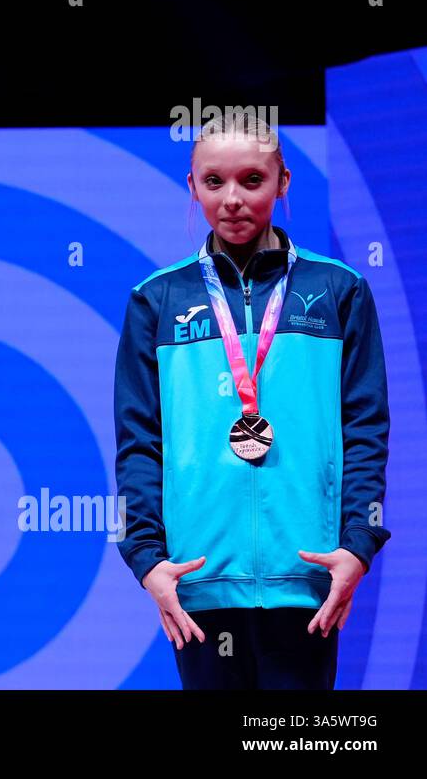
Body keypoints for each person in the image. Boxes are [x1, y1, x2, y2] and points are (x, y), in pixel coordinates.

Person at [113, 112, 390, 689]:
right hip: (198, 580)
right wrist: (147, 561)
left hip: (309, 577)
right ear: (191, 186)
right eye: (213, 182)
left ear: (284, 182)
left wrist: (358, 546)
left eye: (252, 180)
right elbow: (139, 442)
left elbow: (365, 429)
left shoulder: (339, 291)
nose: (232, 199)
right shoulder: (156, 300)